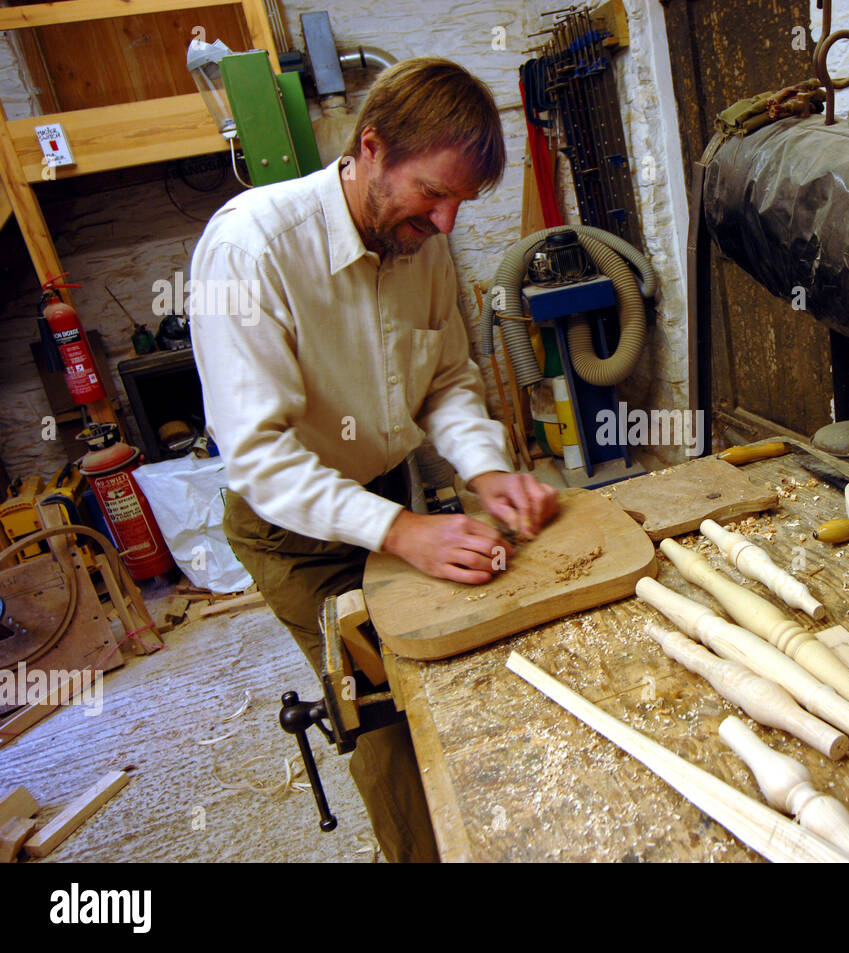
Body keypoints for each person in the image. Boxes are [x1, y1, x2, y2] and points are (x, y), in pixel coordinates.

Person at [190, 58, 558, 862]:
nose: (449, 223)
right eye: (434, 193)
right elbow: (259, 456)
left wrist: (485, 470)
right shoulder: (252, 250)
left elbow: (449, 380)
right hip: (295, 531)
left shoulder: (421, 239)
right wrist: (399, 531)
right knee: (385, 712)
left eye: (462, 201)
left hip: (391, 490)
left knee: (471, 655)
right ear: (372, 148)